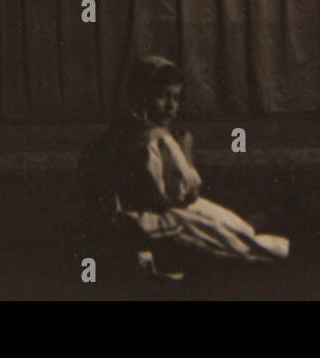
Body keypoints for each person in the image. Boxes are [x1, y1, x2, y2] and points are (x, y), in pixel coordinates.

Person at [80, 55, 289, 276]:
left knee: (228, 225)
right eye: (162, 97)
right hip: (153, 220)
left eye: (176, 98)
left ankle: (247, 227)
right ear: (142, 97)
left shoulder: (116, 131)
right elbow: (186, 195)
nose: (172, 106)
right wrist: (185, 150)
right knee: (235, 240)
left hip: (120, 218)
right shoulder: (155, 139)